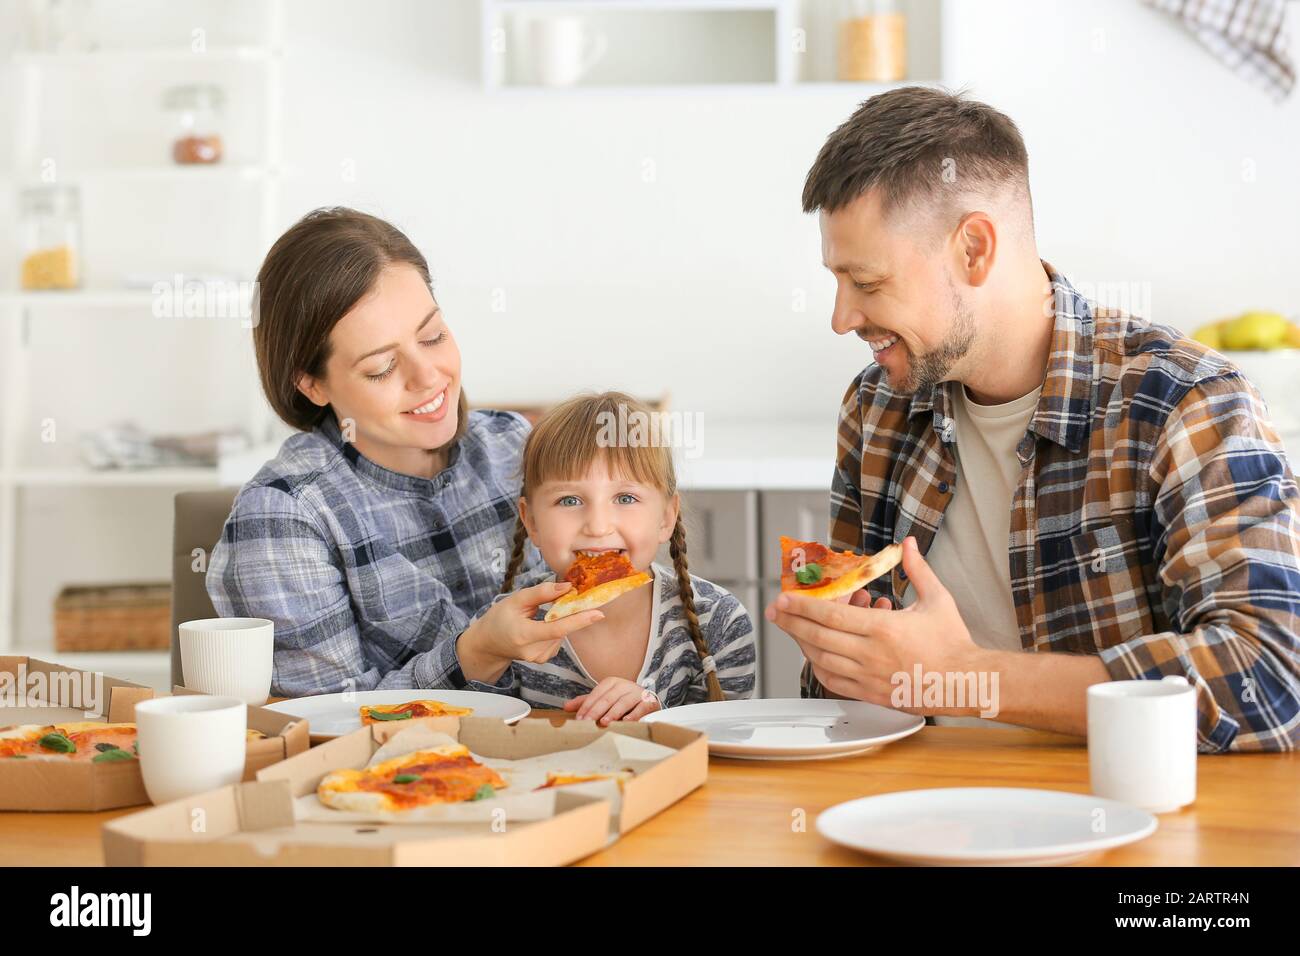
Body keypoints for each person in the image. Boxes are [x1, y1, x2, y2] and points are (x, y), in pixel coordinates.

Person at [766, 86, 1300, 752]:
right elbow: (854, 707)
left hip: (1115, 825)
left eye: (868, 284)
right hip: (912, 816)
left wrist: (962, 677)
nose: (841, 317)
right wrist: (844, 656)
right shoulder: (877, 409)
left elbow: (1271, 681)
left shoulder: (1185, 401)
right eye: (837, 282)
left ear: (974, 250)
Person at [207, 207, 602, 696]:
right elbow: (327, 728)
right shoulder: (284, 516)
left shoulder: (515, 447)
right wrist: (478, 652)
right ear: (312, 384)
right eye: (381, 368)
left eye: (433, 336)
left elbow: (639, 616)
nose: (428, 376)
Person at [460, 392, 756, 724]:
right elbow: (478, 739)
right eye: (569, 500)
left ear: (666, 517)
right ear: (531, 522)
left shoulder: (718, 619)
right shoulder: (504, 628)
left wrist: (658, 719)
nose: (598, 527)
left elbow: (727, 750)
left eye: (626, 497)